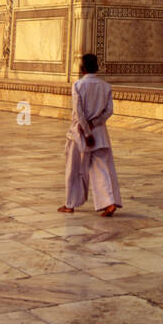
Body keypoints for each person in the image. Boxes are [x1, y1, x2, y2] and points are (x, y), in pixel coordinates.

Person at [58, 53, 122, 217]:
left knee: (73, 168)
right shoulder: (105, 86)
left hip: (79, 134)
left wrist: (86, 131)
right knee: (101, 169)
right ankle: (109, 203)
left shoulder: (78, 85)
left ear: (82, 68)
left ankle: (70, 204)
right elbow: (109, 111)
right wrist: (94, 125)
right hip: (99, 134)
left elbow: (78, 112)